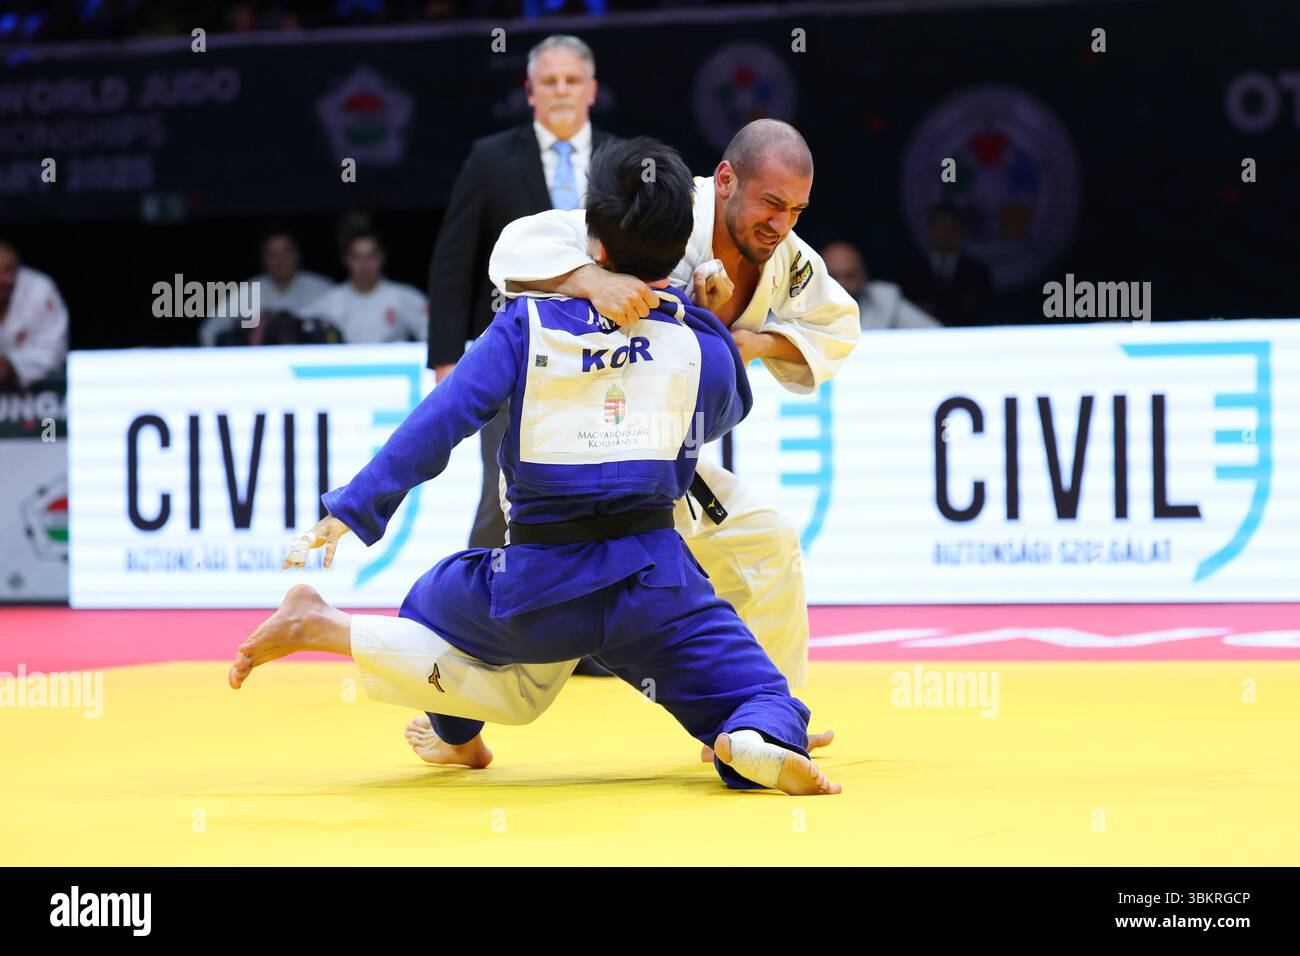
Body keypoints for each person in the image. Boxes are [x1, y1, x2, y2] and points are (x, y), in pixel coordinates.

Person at [227, 138, 840, 797]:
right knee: (769, 697)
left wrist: (353, 505)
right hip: (658, 589)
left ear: (592, 242)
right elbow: (714, 419)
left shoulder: (526, 324)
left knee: (437, 607)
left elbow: (445, 418)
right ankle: (750, 737)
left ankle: (407, 692)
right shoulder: (703, 345)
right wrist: (704, 326)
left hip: (538, 584)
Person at [475, 119, 859, 761]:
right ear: (727, 180)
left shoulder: (786, 257)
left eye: (797, 210)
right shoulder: (663, 208)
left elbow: (839, 327)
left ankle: (771, 717)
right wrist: (590, 280)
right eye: (771, 203)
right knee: (531, 668)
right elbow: (516, 246)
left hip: (658, 465)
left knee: (766, 542)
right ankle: (445, 714)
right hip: (577, 463)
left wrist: (754, 341)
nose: (783, 224)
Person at [427, 34, 622, 552]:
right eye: (549, 81)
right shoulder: (489, 159)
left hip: (610, 352)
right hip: (512, 353)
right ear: (530, 91)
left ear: (591, 89)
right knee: (503, 491)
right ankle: (465, 611)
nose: (561, 90)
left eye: (572, 80)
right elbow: (453, 262)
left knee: (613, 487)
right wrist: (447, 357)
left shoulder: (623, 161)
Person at [197, 228, 333, 347]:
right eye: (272, 253)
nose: (280, 260)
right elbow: (208, 331)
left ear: (298, 254)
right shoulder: (248, 291)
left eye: (287, 251)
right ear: (263, 258)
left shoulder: (321, 289)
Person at [304, 228, 428, 343]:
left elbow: (431, 332)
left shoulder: (404, 296)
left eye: (371, 256)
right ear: (346, 259)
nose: (364, 265)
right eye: (357, 257)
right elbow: (299, 327)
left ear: (382, 257)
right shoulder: (330, 301)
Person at [900, 203, 992, 327]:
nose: (945, 233)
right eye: (940, 227)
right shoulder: (911, 271)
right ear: (929, 231)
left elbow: (983, 313)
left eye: (950, 226)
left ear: (960, 231)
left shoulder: (977, 272)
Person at [822, 240, 939, 330]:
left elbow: (935, 331)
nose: (842, 284)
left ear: (863, 276)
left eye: (849, 276)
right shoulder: (804, 305)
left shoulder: (885, 300)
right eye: (833, 277)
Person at [0, 241, 69, 392]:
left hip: (40, 399)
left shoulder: (39, 290)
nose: (1, 279)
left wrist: (13, 366)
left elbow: (55, 351)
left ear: (18, 270)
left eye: (7, 271)